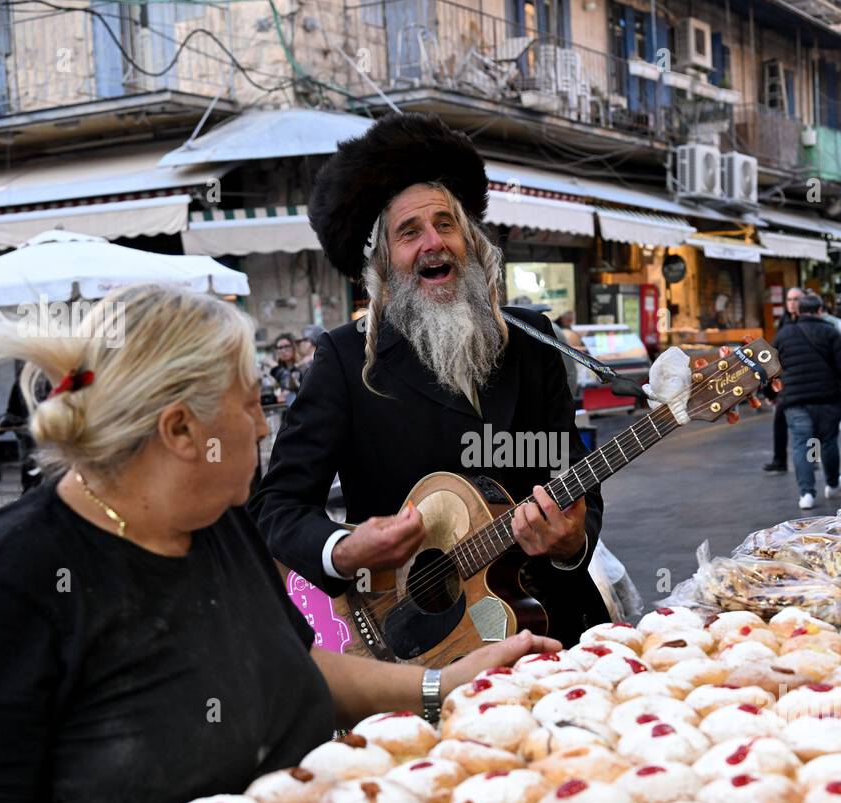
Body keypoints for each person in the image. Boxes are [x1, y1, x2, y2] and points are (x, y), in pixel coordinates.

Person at [0, 283, 557, 803]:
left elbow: (290, 661)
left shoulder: (218, 520)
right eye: (250, 400)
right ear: (180, 430)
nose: (265, 425)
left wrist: (443, 685)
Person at [250, 113, 607, 646]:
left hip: (551, 621)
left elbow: (575, 476)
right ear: (384, 263)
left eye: (446, 224)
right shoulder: (345, 360)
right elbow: (276, 507)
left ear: (470, 240)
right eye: (409, 232)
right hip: (418, 638)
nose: (433, 243)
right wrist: (340, 549)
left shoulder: (532, 340)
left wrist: (572, 541)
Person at [773, 292, 841, 509]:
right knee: (828, 442)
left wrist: (770, 395)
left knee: (802, 445)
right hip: (827, 399)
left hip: (795, 401)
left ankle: (807, 494)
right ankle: (832, 484)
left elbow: (771, 367)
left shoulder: (784, 334)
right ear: (820, 310)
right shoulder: (830, 332)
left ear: (798, 311)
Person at [764, 286, 803, 474]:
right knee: (779, 420)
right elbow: (775, 356)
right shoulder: (784, 324)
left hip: (807, 379)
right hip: (788, 381)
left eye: (796, 299)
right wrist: (770, 390)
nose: (792, 303)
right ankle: (779, 460)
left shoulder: (809, 320)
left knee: (812, 424)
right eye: (789, 299)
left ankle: (815, 458)